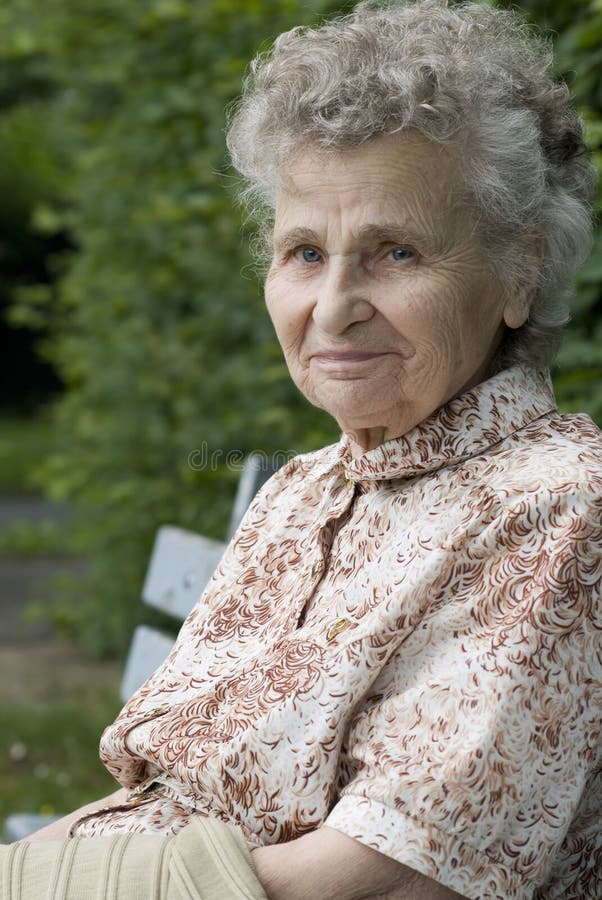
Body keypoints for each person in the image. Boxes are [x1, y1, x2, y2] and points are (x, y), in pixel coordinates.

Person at [3, 1, 601, 897]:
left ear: (520, 269)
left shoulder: (561, 505)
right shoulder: (305, 487)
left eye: (394, 252)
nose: (331, 308)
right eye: (305, 252)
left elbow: (393, 877)